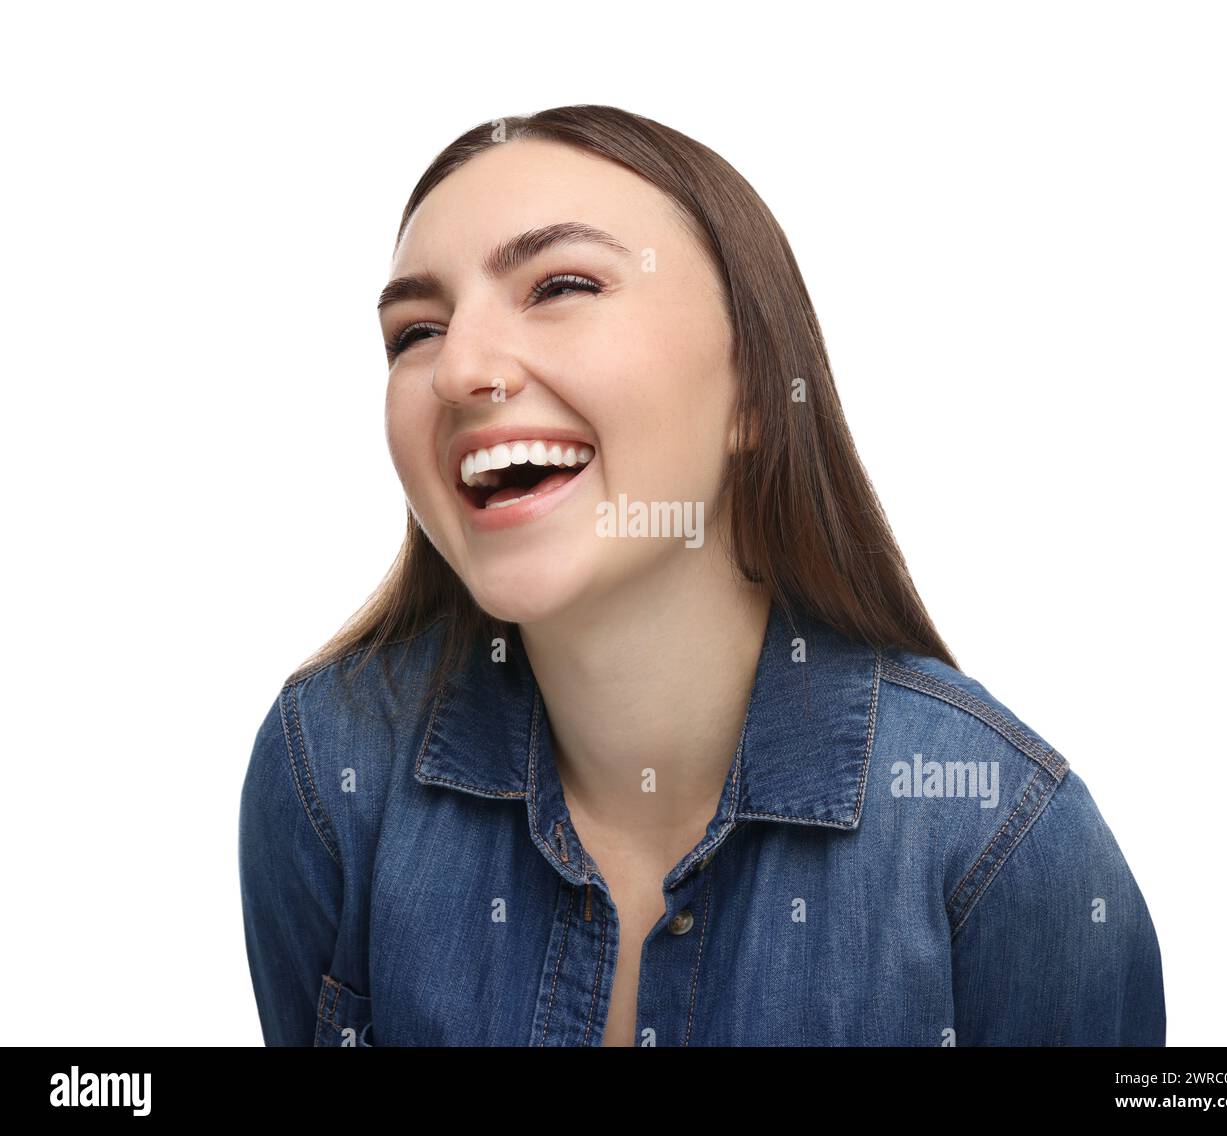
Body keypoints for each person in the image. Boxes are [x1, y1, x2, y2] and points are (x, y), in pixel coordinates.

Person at [238, 105, 1165, 1047]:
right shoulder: (329, 770)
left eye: (558, 284)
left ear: (758, 393)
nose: (459, 368)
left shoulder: (1004, 840)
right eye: (415, 332)